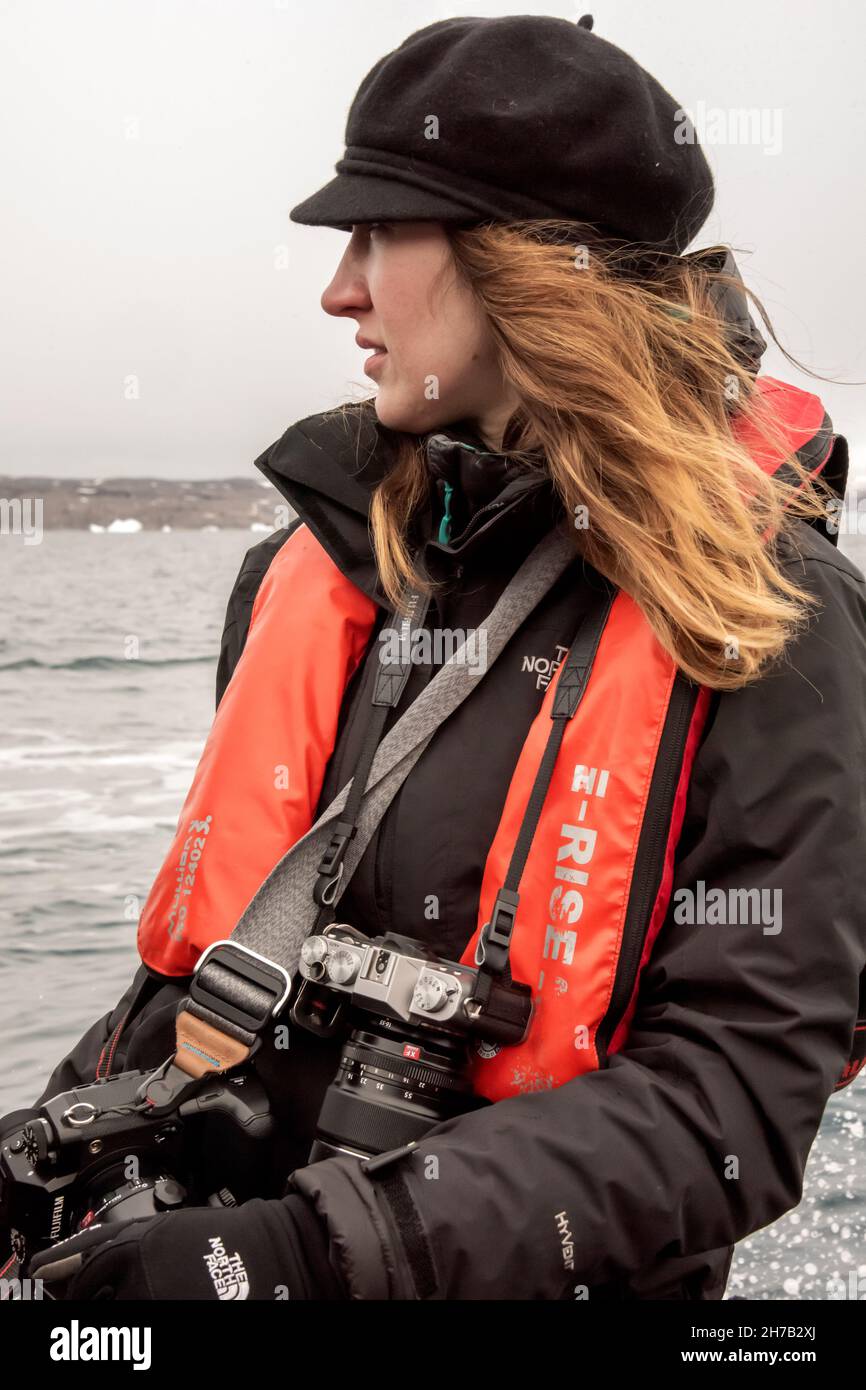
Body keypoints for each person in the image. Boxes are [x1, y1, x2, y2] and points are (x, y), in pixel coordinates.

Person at [3, 13, 865, 1302]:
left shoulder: (780, 620)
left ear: (528, 267)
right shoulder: (312, 573)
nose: (338, 290)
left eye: (377, 234)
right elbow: (216, 958)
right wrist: (46, 1152)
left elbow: (729, 1108)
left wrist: (306, 1260)